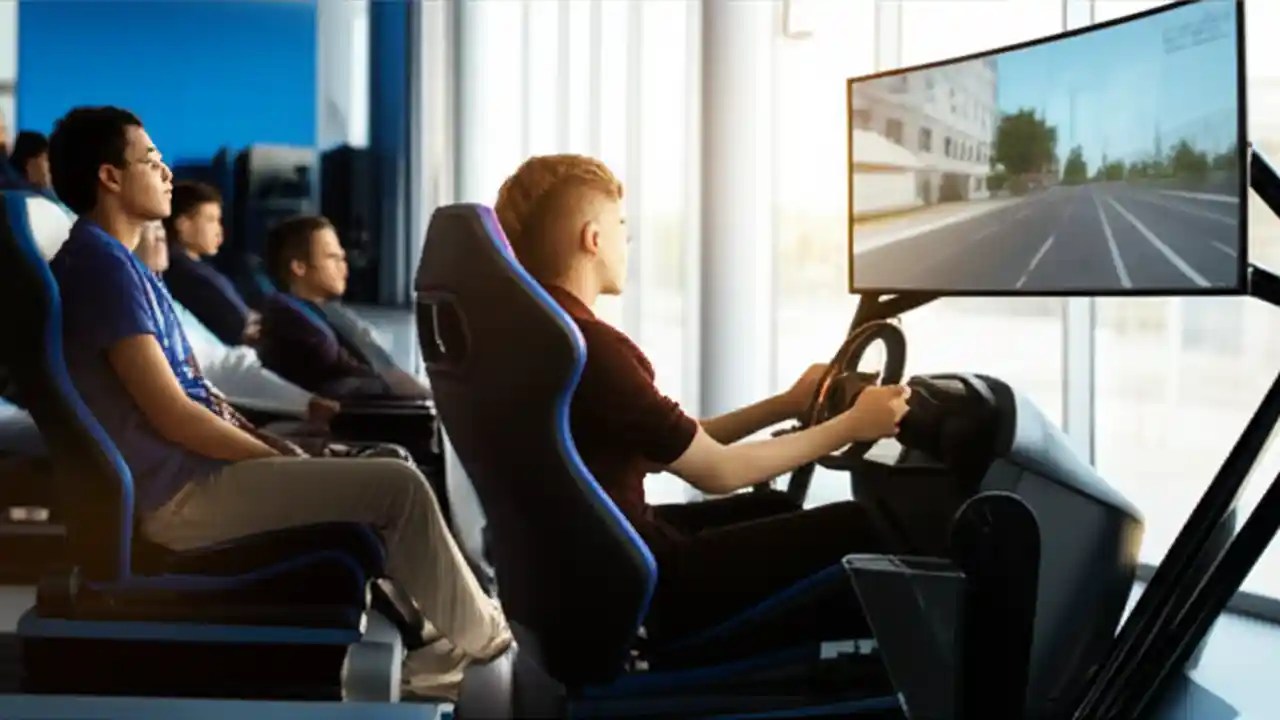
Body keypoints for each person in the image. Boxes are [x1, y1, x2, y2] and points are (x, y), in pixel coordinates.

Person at [42, 105, 509, 700]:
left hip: (195, 478)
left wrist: (280, 448)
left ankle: (444, 646)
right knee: (397, 485)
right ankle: (492, 646)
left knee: (381, 466)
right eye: (152, 161)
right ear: (110, 176)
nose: (165, 175)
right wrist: (270, 455)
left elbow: (198, 393)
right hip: (181, 499)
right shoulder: (99, 269)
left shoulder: (126, 267)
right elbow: (173, 413)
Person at [493, 154, 911, 651]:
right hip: (643, 588)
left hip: (589, 572)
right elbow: (718, 473)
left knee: (776, 504)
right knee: (858, 527)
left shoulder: (541, 339)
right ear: (593, 238)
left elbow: (663, 447)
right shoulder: (594, 351)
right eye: (620, 225)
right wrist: (851, 425)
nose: (627, 241)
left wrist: (787, 404)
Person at [258, 214, 429, 400]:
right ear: (299, 267)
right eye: (332, 258)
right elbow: (389, 379)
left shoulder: (324, 313)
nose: (343, 266)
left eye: (343, 258)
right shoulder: (300, 323)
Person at [162, 180, 261, 346]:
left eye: (219, 220)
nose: (219, 230)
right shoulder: (187, 274)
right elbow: (239, 326)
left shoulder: (198, 268)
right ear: (183, 224)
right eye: (210, 220)